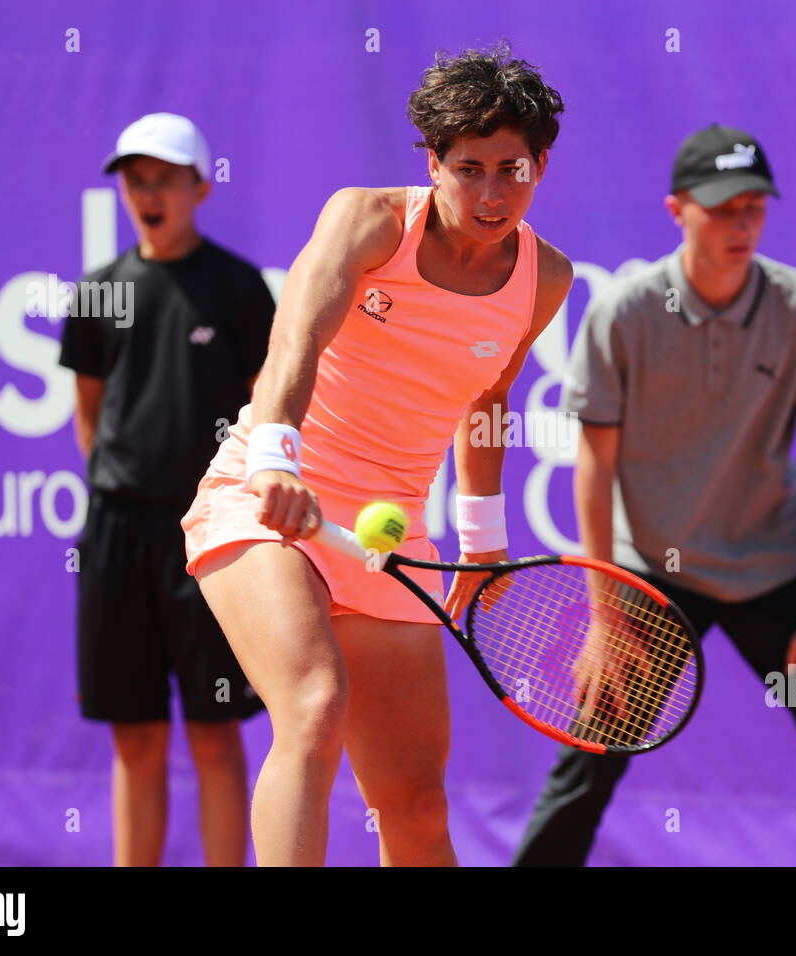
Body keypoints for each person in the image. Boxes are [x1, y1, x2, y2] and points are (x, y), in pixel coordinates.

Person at [180, 45, 574, 867]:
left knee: (415, 801)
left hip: (387, 544)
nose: (493, 194)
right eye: (470, 169)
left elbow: (487, 402)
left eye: (514, 169)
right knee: (316, 707)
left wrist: (483, 541)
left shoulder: (544, 278)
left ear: (541, 165)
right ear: (432, 163)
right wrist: (276, 457)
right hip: (266, 498)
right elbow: (297, 337)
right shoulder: (367, 219)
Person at [512, 124, 796, 867]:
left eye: (756, 207)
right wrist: (604, 615)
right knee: (587, 765)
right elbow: (593, 467)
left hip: (778, 572)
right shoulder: (623, 312)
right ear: (677, 210)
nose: (743, 224)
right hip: (652, 577)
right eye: (725, 206)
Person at [58, 112, 275, 866]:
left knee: (215, 732)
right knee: (136, 735)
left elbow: (266, 410)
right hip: (118, 537)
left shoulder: (239, 288)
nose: (148, 194)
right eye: (135, 180)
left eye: (164, 179)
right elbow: (90, 415)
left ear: (199, 187)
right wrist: (121, 490)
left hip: (210, 538)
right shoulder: (96, 293)